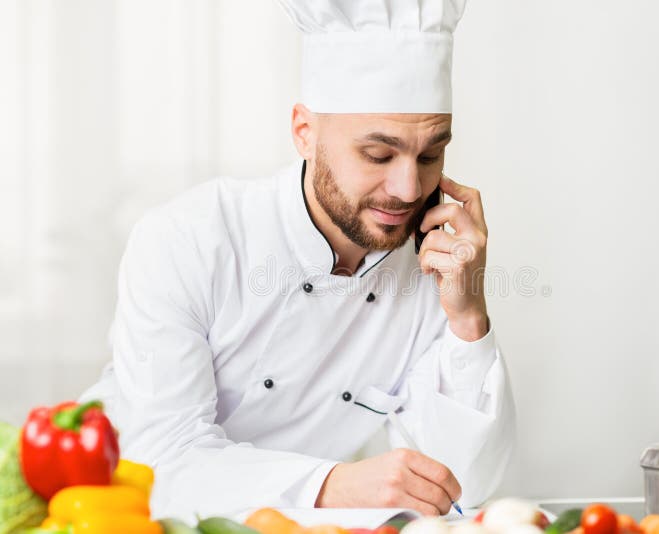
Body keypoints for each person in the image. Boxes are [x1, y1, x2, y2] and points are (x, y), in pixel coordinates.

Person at [81, 0, 515, 521]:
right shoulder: (188, 239)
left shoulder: (435, 271)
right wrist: (333, 484)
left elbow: (461, 488)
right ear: (304, 132)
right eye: (377, 155)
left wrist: (468, 321)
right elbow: (162, 462)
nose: (407, 189)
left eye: (429, 156)